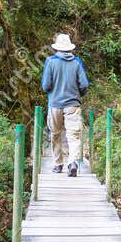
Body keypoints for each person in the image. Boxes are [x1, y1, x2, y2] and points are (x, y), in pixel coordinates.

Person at [40, 32, 88, 176]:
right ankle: (72, 162)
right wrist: (79, 95)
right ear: (69, 48)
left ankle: (58, 164)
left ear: (57, 48)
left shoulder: (50, 61)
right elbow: (84, 84)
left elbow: (45, 85)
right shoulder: (77, 62)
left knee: (55, 134)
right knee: (73, 136)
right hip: (73, 104)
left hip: (55, 105)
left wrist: (52, 91)